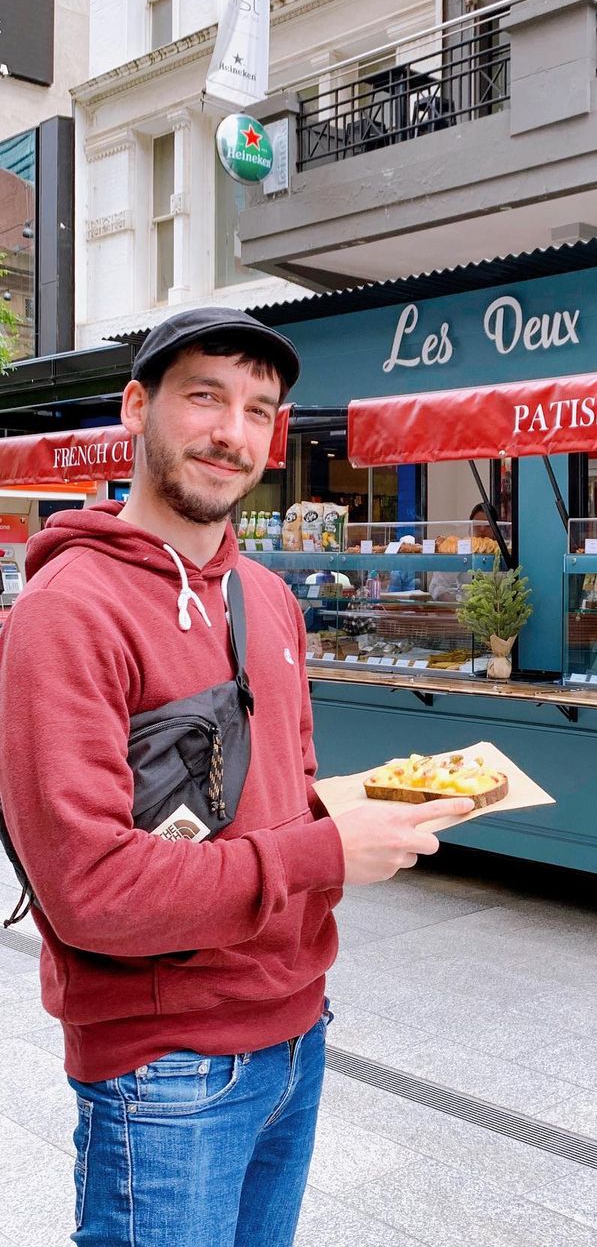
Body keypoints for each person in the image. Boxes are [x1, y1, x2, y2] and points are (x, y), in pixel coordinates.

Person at [0, 306, 472, 1247]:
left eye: (258, 410)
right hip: (164, 1069)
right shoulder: (67, 611)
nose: (232, 432)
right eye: (205, 398)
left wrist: (365, 807)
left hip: (298, 1035)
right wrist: (325, 851)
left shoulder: (267, 596)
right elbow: (91, 891)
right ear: (137, 407)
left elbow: (280, 795)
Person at [428, 502, 497, 602]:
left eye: (487, 525)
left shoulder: (504, 551)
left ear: (496, 527)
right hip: (466, 609)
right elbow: (437, 587)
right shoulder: (461, 549)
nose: (482, 529)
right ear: (470, 526)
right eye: (477, 524)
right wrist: (459, 607)